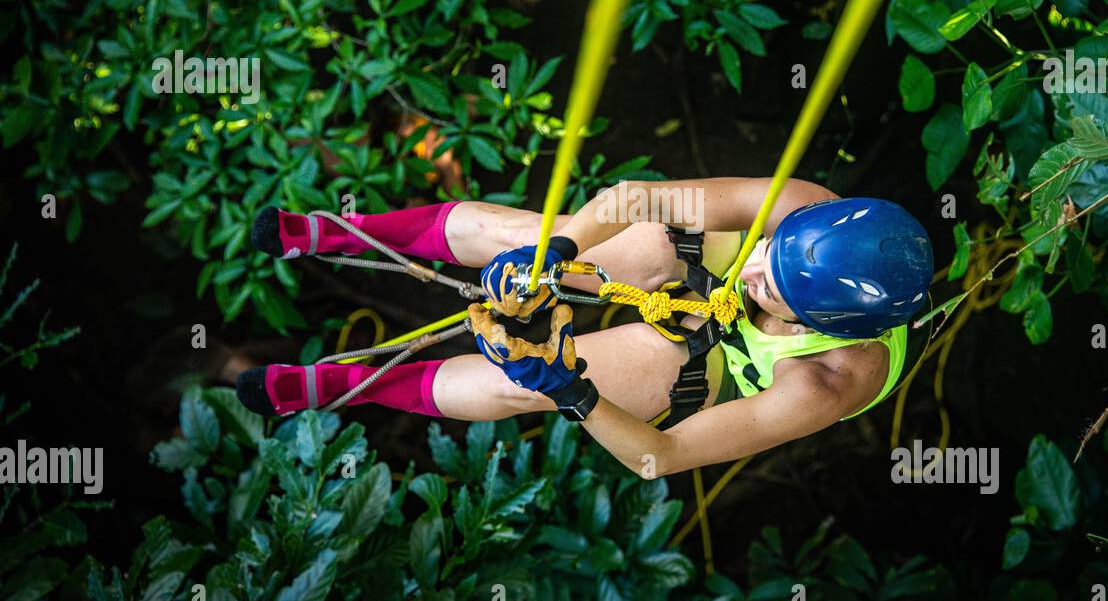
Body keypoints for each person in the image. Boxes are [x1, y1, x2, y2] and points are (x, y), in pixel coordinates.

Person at [235, 177, 933, 478]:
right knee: (553, 237)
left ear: (815, 321)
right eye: (767, 254)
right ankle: (349, 233)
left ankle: (347, 385)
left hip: (738, 365)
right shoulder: (801, 209)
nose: (753, 268)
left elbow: (660, 454)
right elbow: (642, 198)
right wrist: (557, 253)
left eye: (768, 285)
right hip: (708, 275)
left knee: (519, 386)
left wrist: (569, 388)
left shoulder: (824, 380)